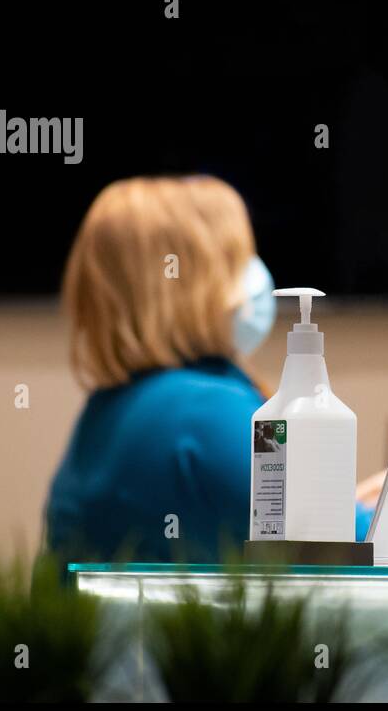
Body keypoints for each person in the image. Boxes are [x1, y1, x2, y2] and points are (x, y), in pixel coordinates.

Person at [44, 176, 275, 565]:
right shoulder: (206, 412)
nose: (255, 277)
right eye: (238, 260)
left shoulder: (111, 409)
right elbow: (349, 545)